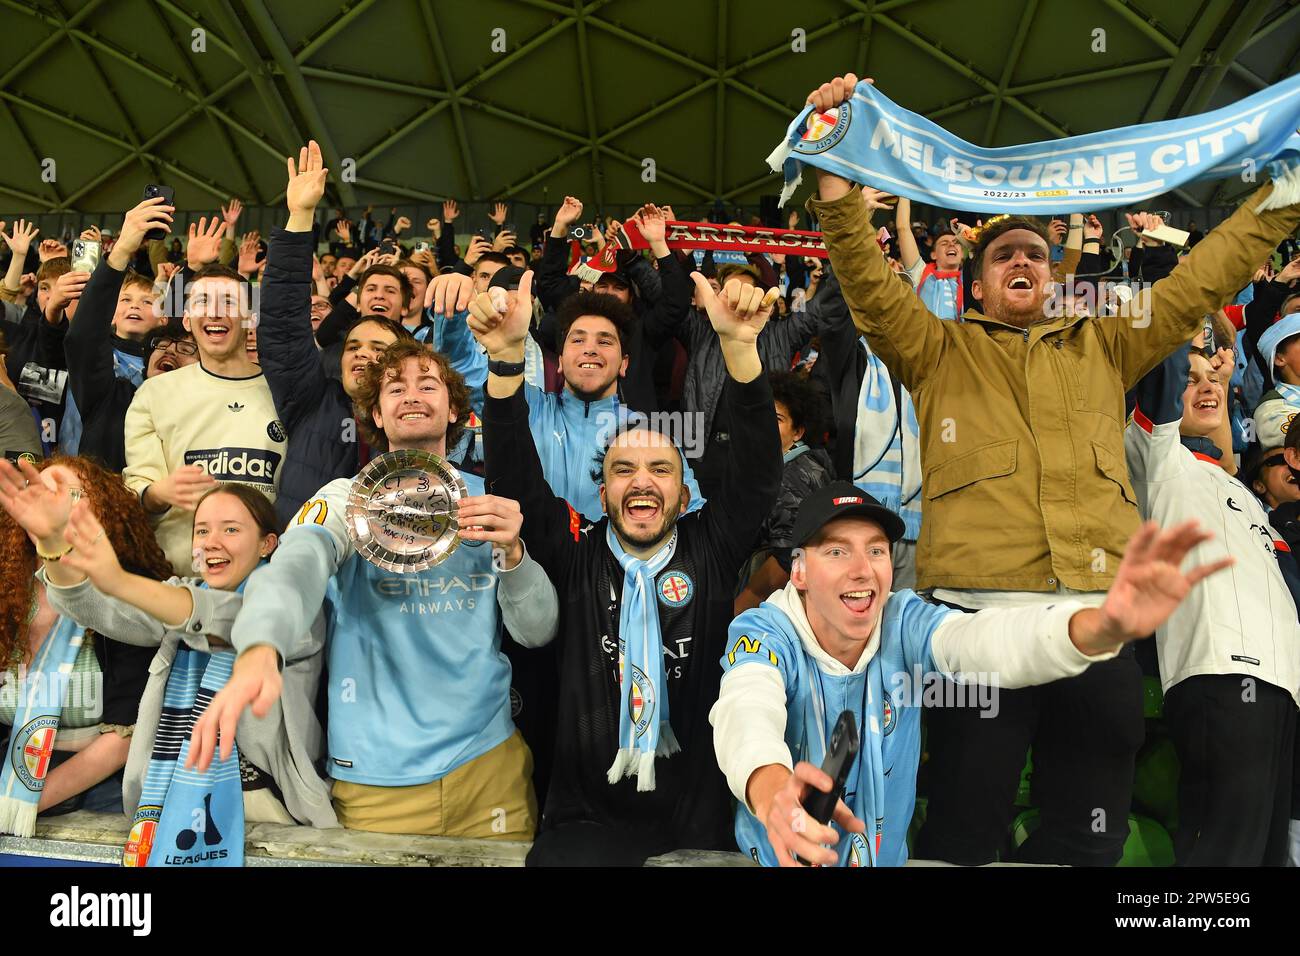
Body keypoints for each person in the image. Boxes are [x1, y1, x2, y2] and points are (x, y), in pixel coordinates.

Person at [803, 71, 1300, 867]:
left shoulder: (1107, 344)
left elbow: (1200, 280)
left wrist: (1287, 199)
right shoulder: (938, 349)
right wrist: (833, 172)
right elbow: (866, 286)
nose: (1021, 261)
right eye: (1003, 254)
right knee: (966, 827)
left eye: (1035, 251)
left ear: (1057, 275)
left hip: (1097, 626)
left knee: (1087, 836)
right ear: (979, 278)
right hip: (973, 625)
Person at [712, 482, 1232, 866]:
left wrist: (1095, 628)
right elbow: (746, 706)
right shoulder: (765, 627)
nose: (862, 568)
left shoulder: (903, 618)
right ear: (798, 571)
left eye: (875, 550)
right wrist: (771, 787)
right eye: (836, 551)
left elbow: (986, 643)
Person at [188, 339, 558, 839]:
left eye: (429, 385)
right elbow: (297, 564)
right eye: (395, 387)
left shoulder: (488, 506)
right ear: (376, 416)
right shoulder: (342, 500)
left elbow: (537, 633)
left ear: (454, 410)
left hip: (489, 767)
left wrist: (515, 555)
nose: (412, 395)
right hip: (376, 782)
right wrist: (261, 641)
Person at [478, 269, 782, 865]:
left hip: (697, 818)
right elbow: (515, 478)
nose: (641, 480)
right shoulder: (575, 553)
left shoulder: (711, 547)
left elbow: (757, 474)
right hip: (585, 821)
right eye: (623, 470)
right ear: (603, 490)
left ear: (685, 492)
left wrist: (741, 351)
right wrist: (507, 359)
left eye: (660, 469)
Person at [1126, 343, 1300, 865]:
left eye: (1216, 381)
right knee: (1222, 855)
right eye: (1191, 378)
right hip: (1220, 673)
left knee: (1266, 856)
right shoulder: (1160, 462)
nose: (1206, 387)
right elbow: (1158, 379)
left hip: (1281, 685)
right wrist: (1186, 316)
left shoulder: (1248, 495)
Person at [0, 456, 169, 835]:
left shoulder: (131, 588)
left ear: (102, 509)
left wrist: (17, 804)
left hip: (101, 791)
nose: (49, 503)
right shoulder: (7, 587)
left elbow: (125, 737)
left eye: (69, 493)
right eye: (38, 492)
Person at [122, 261, 284, 575]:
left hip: (266, 577)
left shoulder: (284, 395)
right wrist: (158, 493)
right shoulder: (154, 394)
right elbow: (138, 489)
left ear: (251, 317)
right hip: (179, 579)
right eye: (202, 302)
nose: (214, 312)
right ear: (186, 319)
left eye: (228, 301)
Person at [735, 370, 834, 615]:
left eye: (777, 419)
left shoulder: (793, 476)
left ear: (798, 432)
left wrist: (739, 608)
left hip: (784, 606)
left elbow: (785, 557)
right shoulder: (800, 464)